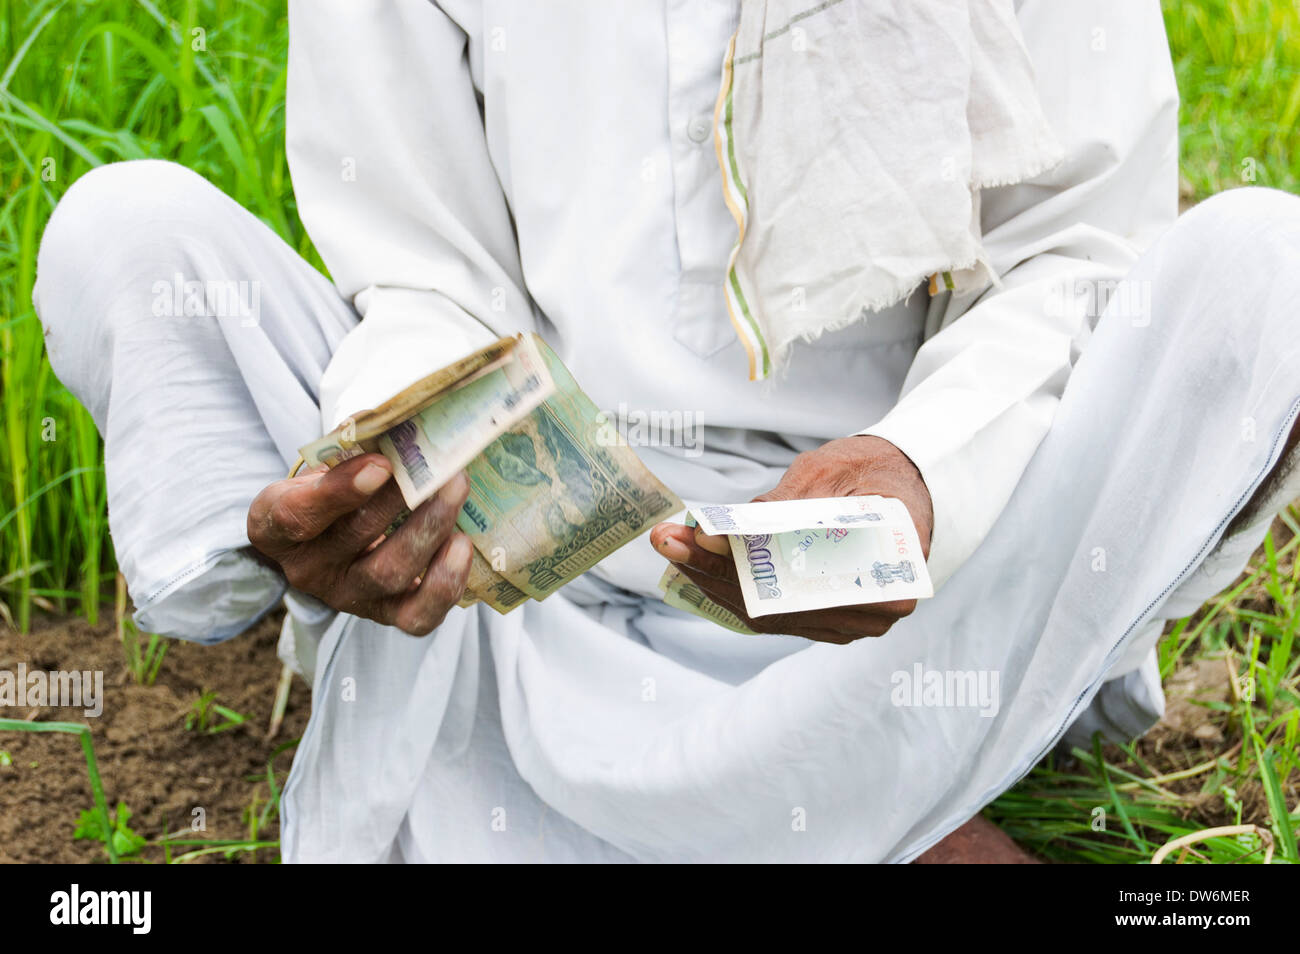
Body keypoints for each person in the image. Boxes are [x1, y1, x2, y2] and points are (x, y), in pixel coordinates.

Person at [32, 0, 1300, 862]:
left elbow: (1071, 255)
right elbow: (425, 275)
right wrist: (405, 468)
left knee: (1269, 269)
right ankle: (879, 819)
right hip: (535, 581)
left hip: (904, 591)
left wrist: (915, 479)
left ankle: (842, 770)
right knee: (126, 232)